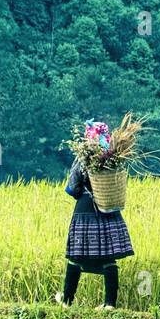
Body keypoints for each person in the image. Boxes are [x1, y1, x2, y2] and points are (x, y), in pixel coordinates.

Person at [54, 120, 134, 309]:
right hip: (109, 209)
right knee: (109, 257)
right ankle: (109, 304)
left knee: (77, 255)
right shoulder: (115, 156)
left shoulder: (85, 157)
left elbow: (73, 188)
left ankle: (66, 300)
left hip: (86, 211)